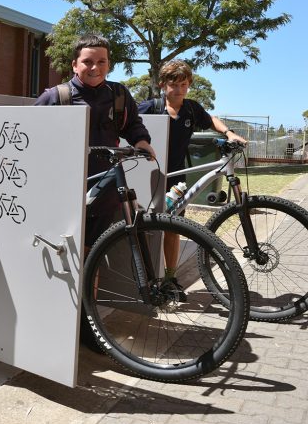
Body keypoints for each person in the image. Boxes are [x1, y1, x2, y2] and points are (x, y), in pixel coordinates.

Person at [138, 59, 247, 300]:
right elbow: (129, 127)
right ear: (162, 84)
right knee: (143, 227)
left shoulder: (191, 109)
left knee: (173, 228)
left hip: (177, 178)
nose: (178, 90)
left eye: (184, 85)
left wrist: (228, 132)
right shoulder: (151, 107)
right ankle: (142, 279)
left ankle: (170, 278)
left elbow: (211, 119)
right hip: (149, 176)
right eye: (173, 84)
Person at [35, 34, 156, 249]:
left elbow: (133, 124)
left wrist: (142, 141)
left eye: (101, 62)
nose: (95, 68)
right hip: (64, 188)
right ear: (74, 65)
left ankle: (91, 284)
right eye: (87, 62)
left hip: (106, 188)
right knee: (66, 248)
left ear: (109, 64)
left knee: (95, 250)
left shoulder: (119, 94)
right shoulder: (55, 97)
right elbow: (33, 137)